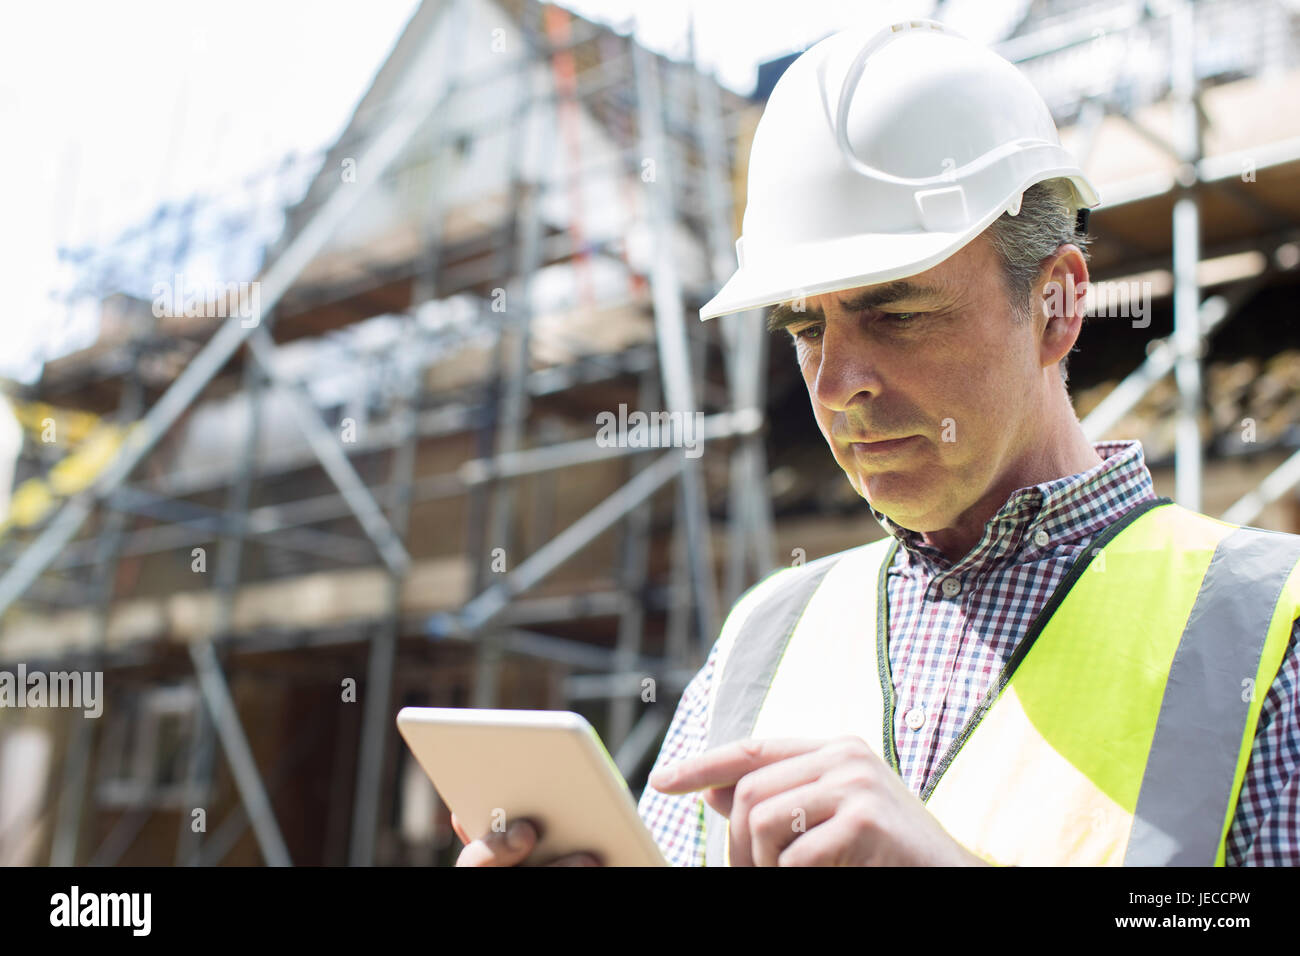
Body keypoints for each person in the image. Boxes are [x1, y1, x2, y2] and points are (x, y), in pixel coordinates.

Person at [455, 19, 1300, 868]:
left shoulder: (1265, 632)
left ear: (1057, 305)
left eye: (895, 312)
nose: (833, 387)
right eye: (804, 326)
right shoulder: (762, 639)